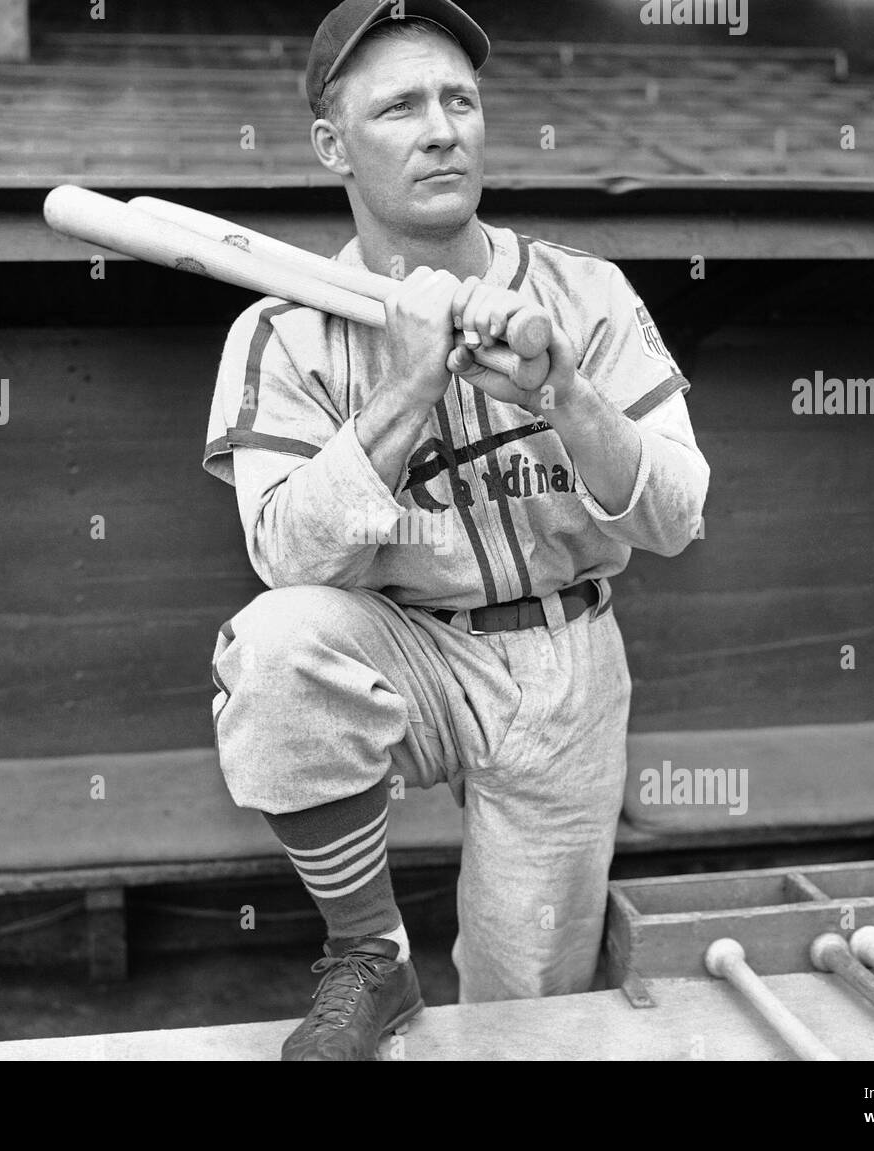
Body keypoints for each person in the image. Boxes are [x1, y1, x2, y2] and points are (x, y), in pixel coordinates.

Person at [202, 0, 710, 1061]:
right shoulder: (281, 326)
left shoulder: (586, 291)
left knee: (527, 1013)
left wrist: (566, 391)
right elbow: (283, 553)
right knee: (279, 643)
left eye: (459, 99)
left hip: (562, 656)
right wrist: (404, 388)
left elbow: (678, 513)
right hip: (402, 646)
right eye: (399, 106)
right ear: (332, 145)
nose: (442, 127)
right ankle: (366, 952)